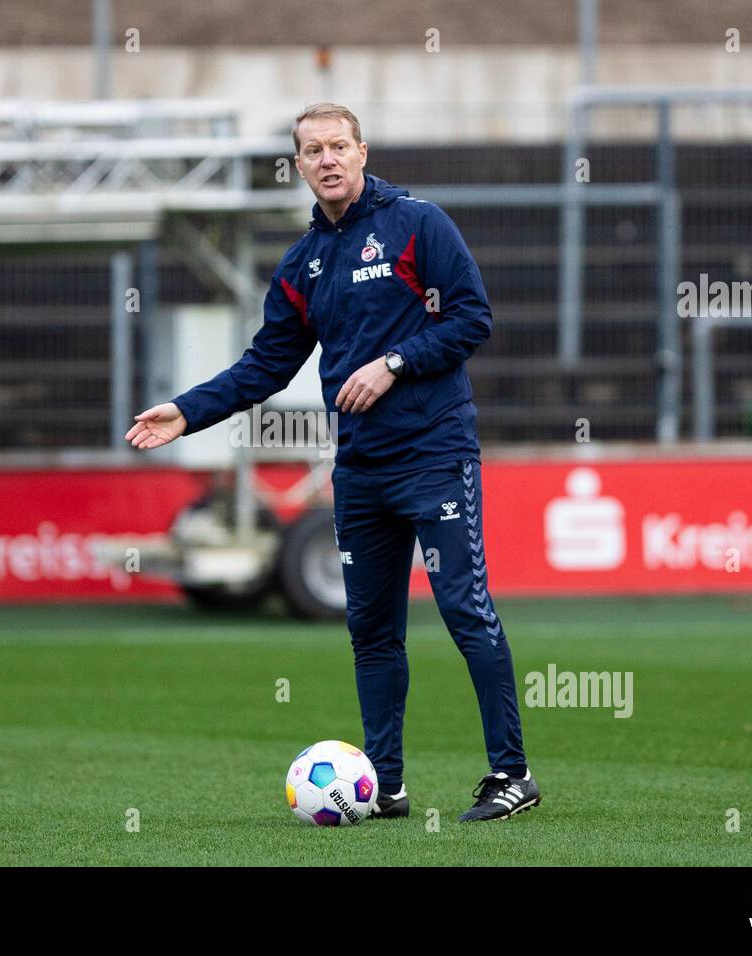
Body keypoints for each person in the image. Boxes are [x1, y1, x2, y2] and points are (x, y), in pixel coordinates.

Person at [127, 103, 539, 822]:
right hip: (361, 469)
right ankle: (386, 785)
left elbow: (473, 317)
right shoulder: (304, 264)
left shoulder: (418, 224)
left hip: (435, 453)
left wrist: (395, 362)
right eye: (312, 149)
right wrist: (187, 411)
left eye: (338, 146)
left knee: (464, 610)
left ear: (362, 151)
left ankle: (512, 774)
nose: (327, 159)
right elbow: (262, 368)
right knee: (371, 630)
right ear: (298, 165)